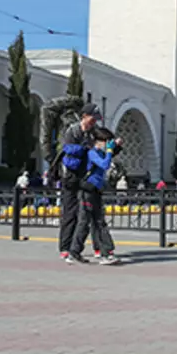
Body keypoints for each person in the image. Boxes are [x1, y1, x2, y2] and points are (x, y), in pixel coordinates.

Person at [69, 127, 123, 265]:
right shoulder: (92, 153)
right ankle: (76, 252)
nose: (108, 145)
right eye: (107, 142)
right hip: (87, 191)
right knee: (85, 223)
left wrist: (115, 147)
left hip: (95, 191)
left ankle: (104, 252)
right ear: (99, 141)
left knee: (98, 222)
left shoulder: (99, 152)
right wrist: (110, 151)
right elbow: (105, 164)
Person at [56, 102, 102, 261]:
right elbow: (67, 148)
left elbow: (101, 146)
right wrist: (84, 148)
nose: (93, 122)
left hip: (85, 178)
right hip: (70, 177)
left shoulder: (93, 133)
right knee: (70, 212)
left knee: (85, 214)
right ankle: (65, 247)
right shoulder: (73, 131)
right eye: (92, 118)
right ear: (84, 116)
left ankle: (88, 248)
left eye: (96, 119)